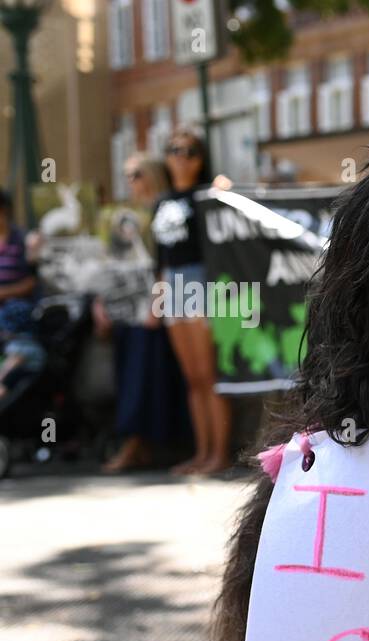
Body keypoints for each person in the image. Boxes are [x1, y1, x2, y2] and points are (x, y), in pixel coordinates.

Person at [95, 153, 190, 472]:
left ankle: (138, 444)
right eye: (126, 174)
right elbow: (111, 262)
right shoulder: (123, 215)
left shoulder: (163, 212)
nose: (129, 180)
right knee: (130, 374)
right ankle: (141, 446)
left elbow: (165, 261)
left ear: (150, 174)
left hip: (153, 305)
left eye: (135, 173)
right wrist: (101, 304)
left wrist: (157, 303)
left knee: (147, 376)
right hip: (125, 304)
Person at [155, 126, 230, 475]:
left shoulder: (206, 195)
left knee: (208, 375)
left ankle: (218, 455)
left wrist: (223, 192)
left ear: (200, 159)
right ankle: (201, 454)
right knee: (192, 379)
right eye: (174, 150)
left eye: (189, 151)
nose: (180, 157)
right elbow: (160, 255)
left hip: (200, 280)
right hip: (171, 284)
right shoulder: (162, 200)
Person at [0, 188, 42, 411]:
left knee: (21, 345)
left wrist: (4, 294)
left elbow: (32, 283)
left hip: (16, 311)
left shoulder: (23, 241)